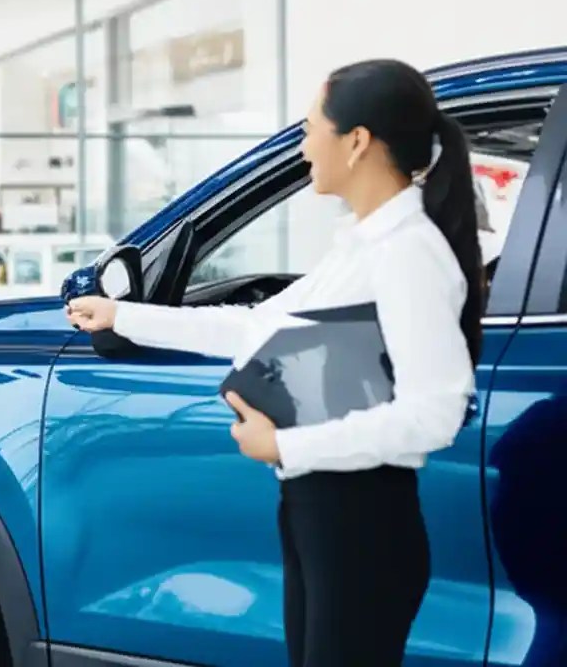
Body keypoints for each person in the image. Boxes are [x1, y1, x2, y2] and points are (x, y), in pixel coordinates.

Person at [67, 59, 484, 667]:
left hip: (363, 523)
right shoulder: (360, 248)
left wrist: (290, 445)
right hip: (321, 515)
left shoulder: (407, 255)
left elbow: (435, 414)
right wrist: (123, 316)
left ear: (358, 141)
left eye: (312, 127)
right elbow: (255, 325)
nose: (304, 144)